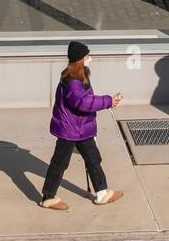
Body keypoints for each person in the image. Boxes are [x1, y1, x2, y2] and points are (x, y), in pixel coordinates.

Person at [41, 41, 124, 211]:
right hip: (70, 130)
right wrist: (108, 101)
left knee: (93, 158)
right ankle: (48, 197)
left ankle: (102, 193)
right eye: (87, 56)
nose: (89, 59)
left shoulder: (80, 76)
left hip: (81, 129)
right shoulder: (72, 81)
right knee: (60, 163)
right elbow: (82, 102)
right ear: (80, 59)